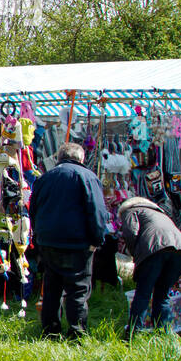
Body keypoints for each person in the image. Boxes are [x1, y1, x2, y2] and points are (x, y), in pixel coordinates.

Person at [28, 142, 109, 339]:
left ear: (59, 158)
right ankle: (77, 333)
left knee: (52, 288)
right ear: (81, 158)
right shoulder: (88, 177)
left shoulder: (45, 178)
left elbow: (33, 209)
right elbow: (97, 212)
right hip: (76, 243)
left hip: (48, 241)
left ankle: (50, 332)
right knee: (77, 290)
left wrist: (39, 236)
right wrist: (98, 239)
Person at [119, 196, 181, 339]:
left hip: (155, 250)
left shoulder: (131, 211)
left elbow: (131, 234)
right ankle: (164, 335)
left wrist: (135, 255)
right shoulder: (159, 213)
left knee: (143, 294)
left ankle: (133, 335)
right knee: (162, 294)